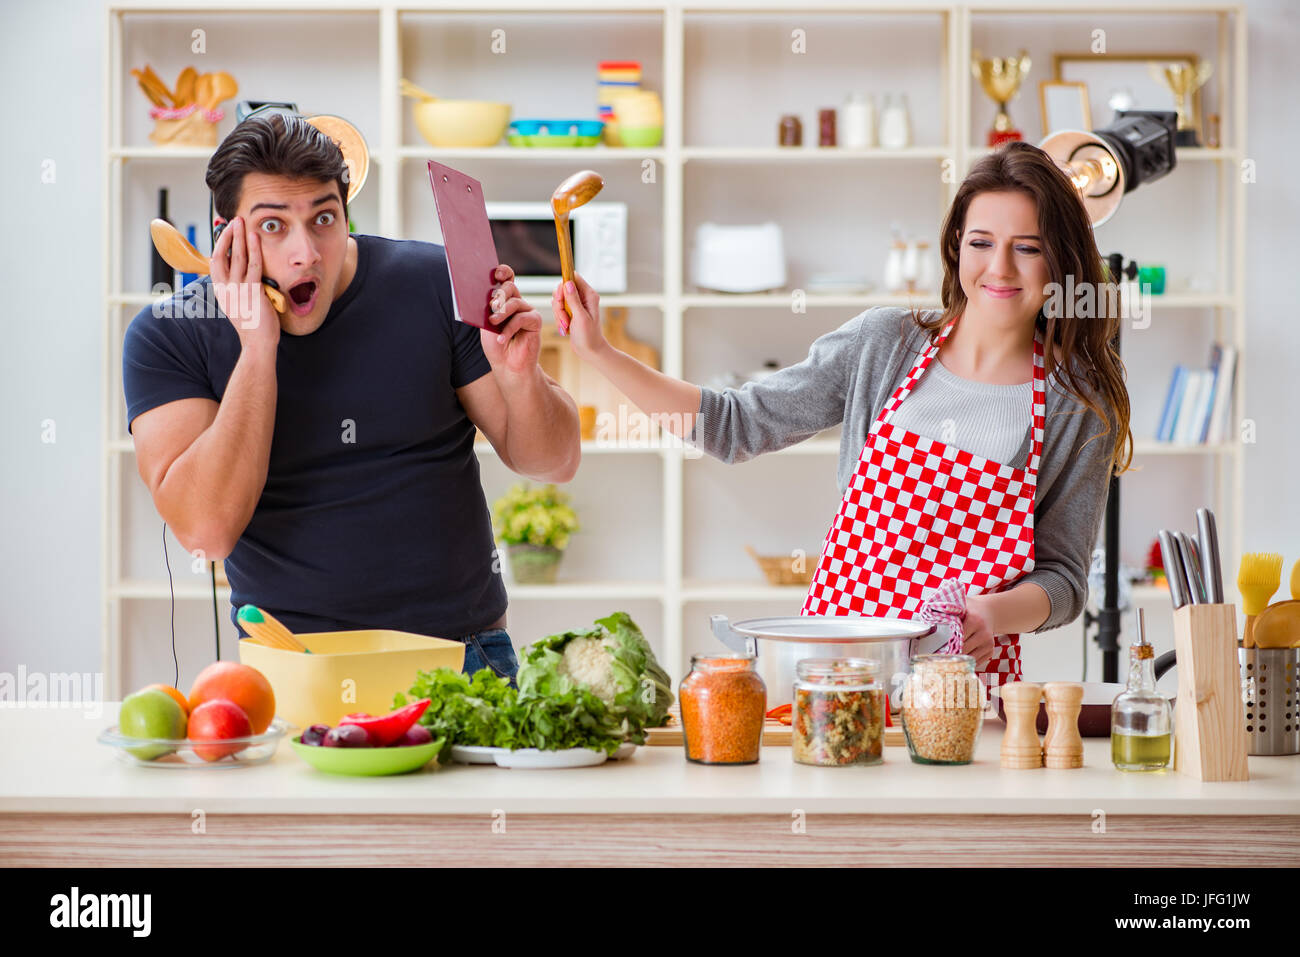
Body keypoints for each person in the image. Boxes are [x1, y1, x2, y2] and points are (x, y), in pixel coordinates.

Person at [553, 141, 1132, 689]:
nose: (999, 268)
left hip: (961, 688)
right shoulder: (884, 345)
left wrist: (994, 614)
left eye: (1027, 247)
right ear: (957, 245)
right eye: (981, 242)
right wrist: (599, 353)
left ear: (1059, 261)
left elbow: (1064, 579)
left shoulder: (1077, 401)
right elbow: (731, 426)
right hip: (834, 670)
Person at [123, 113, 580, 681]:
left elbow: (553, 462)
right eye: (272, 227)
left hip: (462, 659)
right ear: (226, 234)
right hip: (291, 668)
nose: (306, 252)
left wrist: (521, 376)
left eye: (323, 218)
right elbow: (207, 530)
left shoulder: (434, 283)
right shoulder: (170, 333)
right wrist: (257, 347)